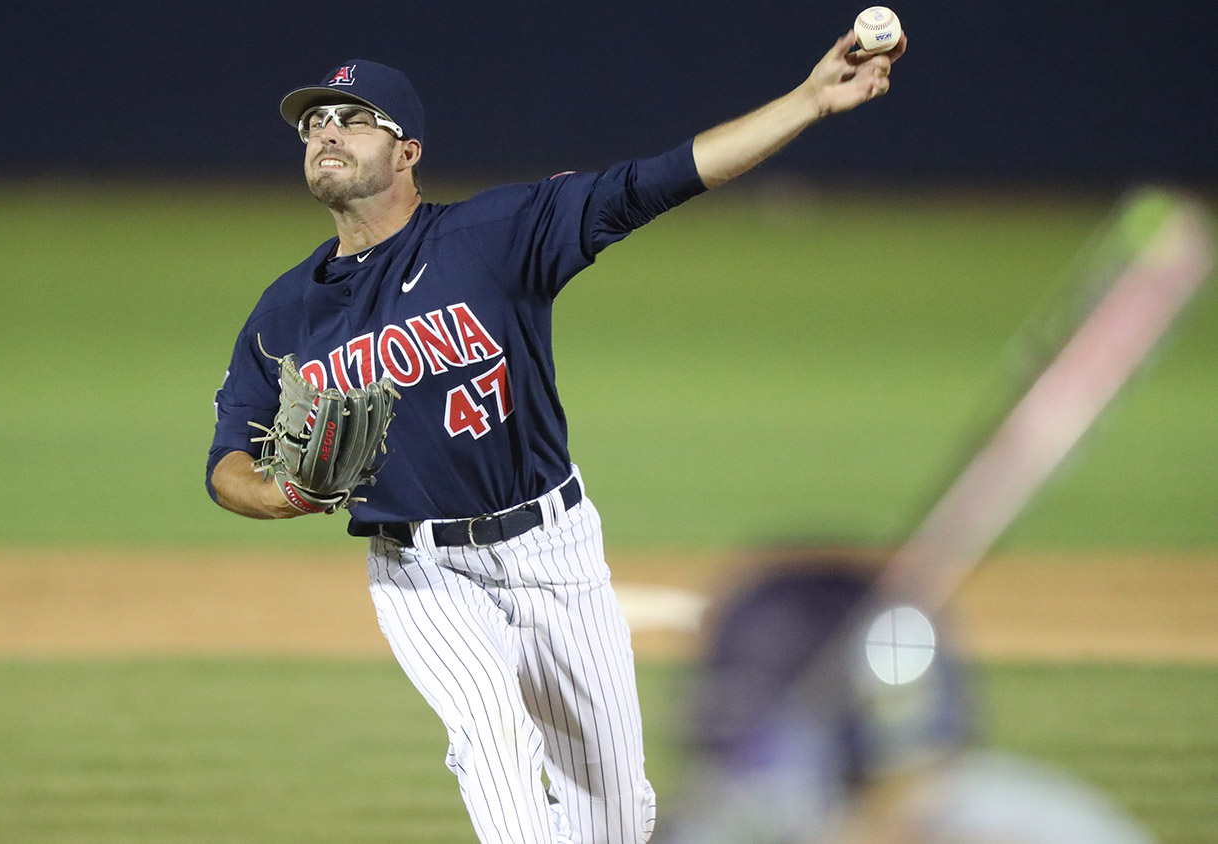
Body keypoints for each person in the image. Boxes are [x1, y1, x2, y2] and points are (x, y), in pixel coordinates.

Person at [206, 33, 906, 844]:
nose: (327, 131)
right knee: (493, 738)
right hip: (421, 573)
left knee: (616, 814)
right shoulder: (285, 312)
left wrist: (809, 101)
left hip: (555, 550)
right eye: (315, 122)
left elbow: (661, 178)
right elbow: (227, 459)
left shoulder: (496, 233)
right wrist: (278, 493)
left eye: (354, 119)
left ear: (407, 152)